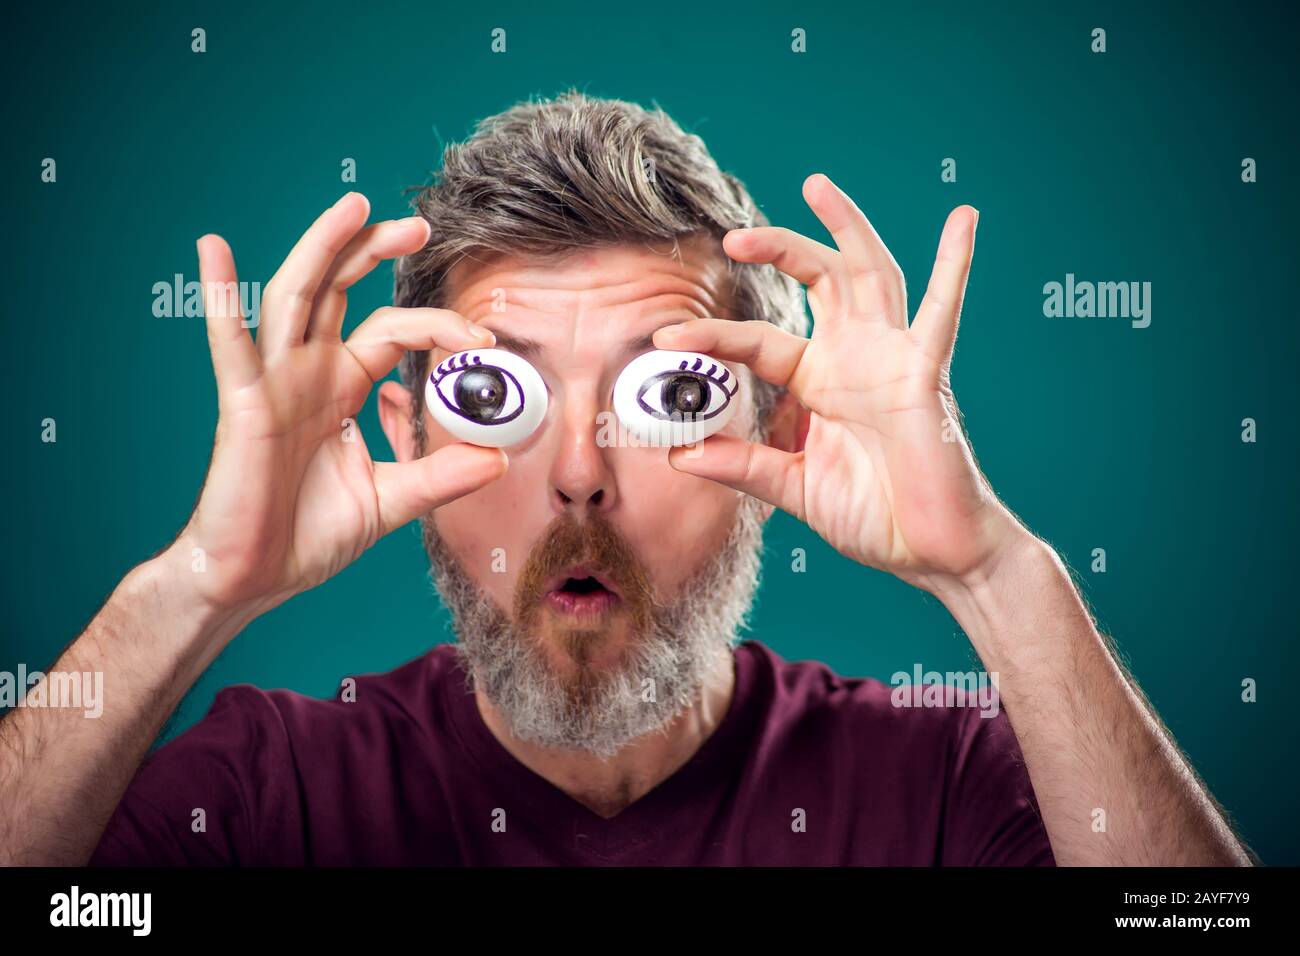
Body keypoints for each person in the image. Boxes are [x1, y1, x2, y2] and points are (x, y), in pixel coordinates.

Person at [0, 92, 1251, 866]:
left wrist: (996, 572)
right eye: (498, 394)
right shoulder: (268, 795)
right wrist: (194, 588)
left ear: (791, 437)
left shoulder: (944, 789)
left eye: (670, 396)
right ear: (407, 434)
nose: (581, 476)